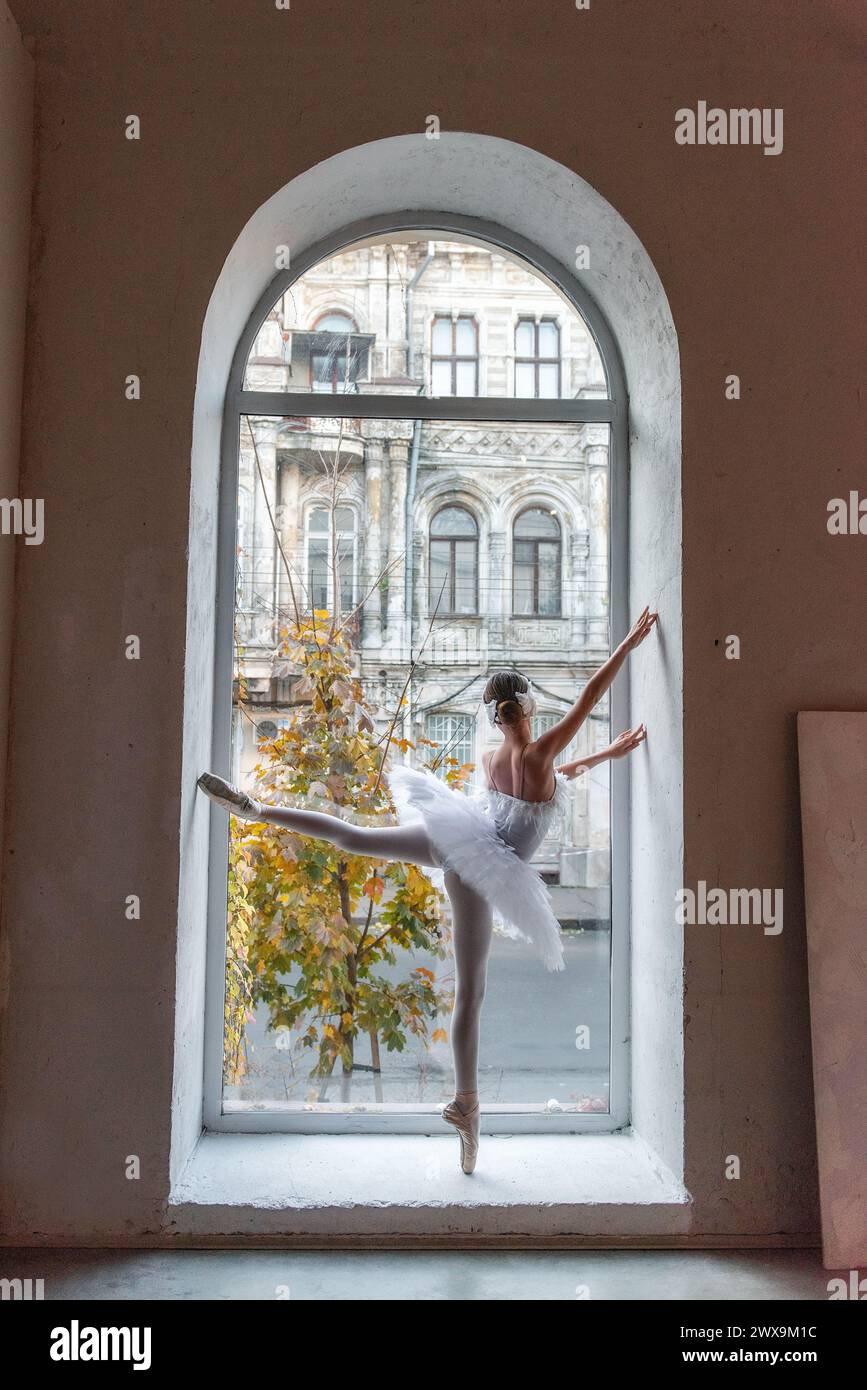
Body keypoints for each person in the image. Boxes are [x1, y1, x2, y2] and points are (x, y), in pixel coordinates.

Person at [198, 606, 658, 1174]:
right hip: (483, 868)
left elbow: (557, 778)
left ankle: (256, 809)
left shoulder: (497, 758)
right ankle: (467, 1106)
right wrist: (628, 645)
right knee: (472, 993)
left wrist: (607, 753)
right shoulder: (539, 755)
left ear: (495, 716)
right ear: (530, 707)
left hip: (457, 837)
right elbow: (587, 699)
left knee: (358, 838)